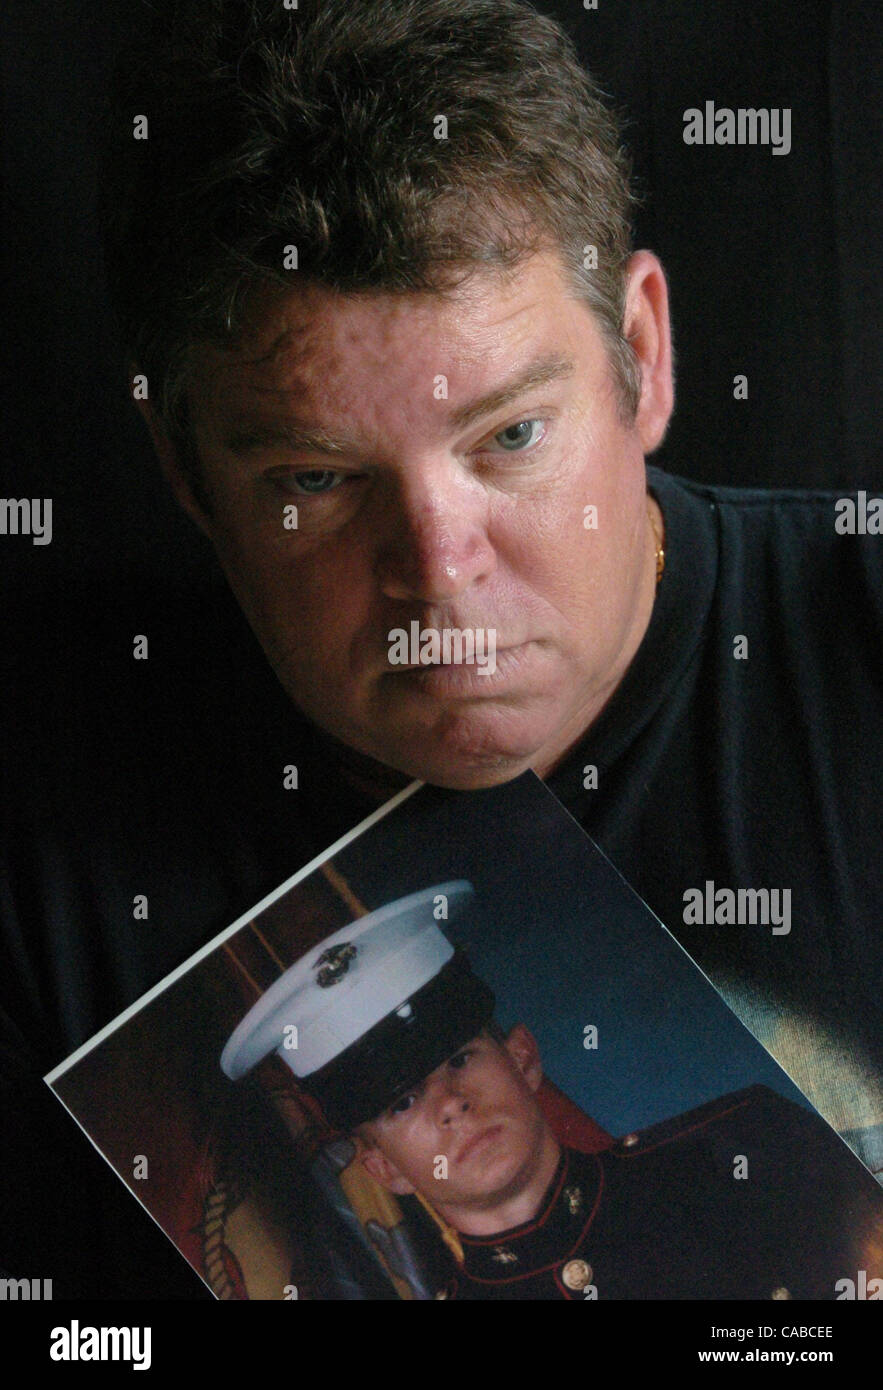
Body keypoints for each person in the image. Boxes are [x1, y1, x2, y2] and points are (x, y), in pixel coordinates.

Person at [2, 0, 882, 1297]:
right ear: (185, 469)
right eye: (317, 475)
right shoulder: (43, 832)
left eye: (509, 438)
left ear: (638, 356)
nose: (437, 569)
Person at [221, 897, 883, 1300]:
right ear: (383, 1169)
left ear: (522, 1058)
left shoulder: (741, 1145)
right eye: (401, 1102)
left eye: (458, 1057)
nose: (451, 1103)